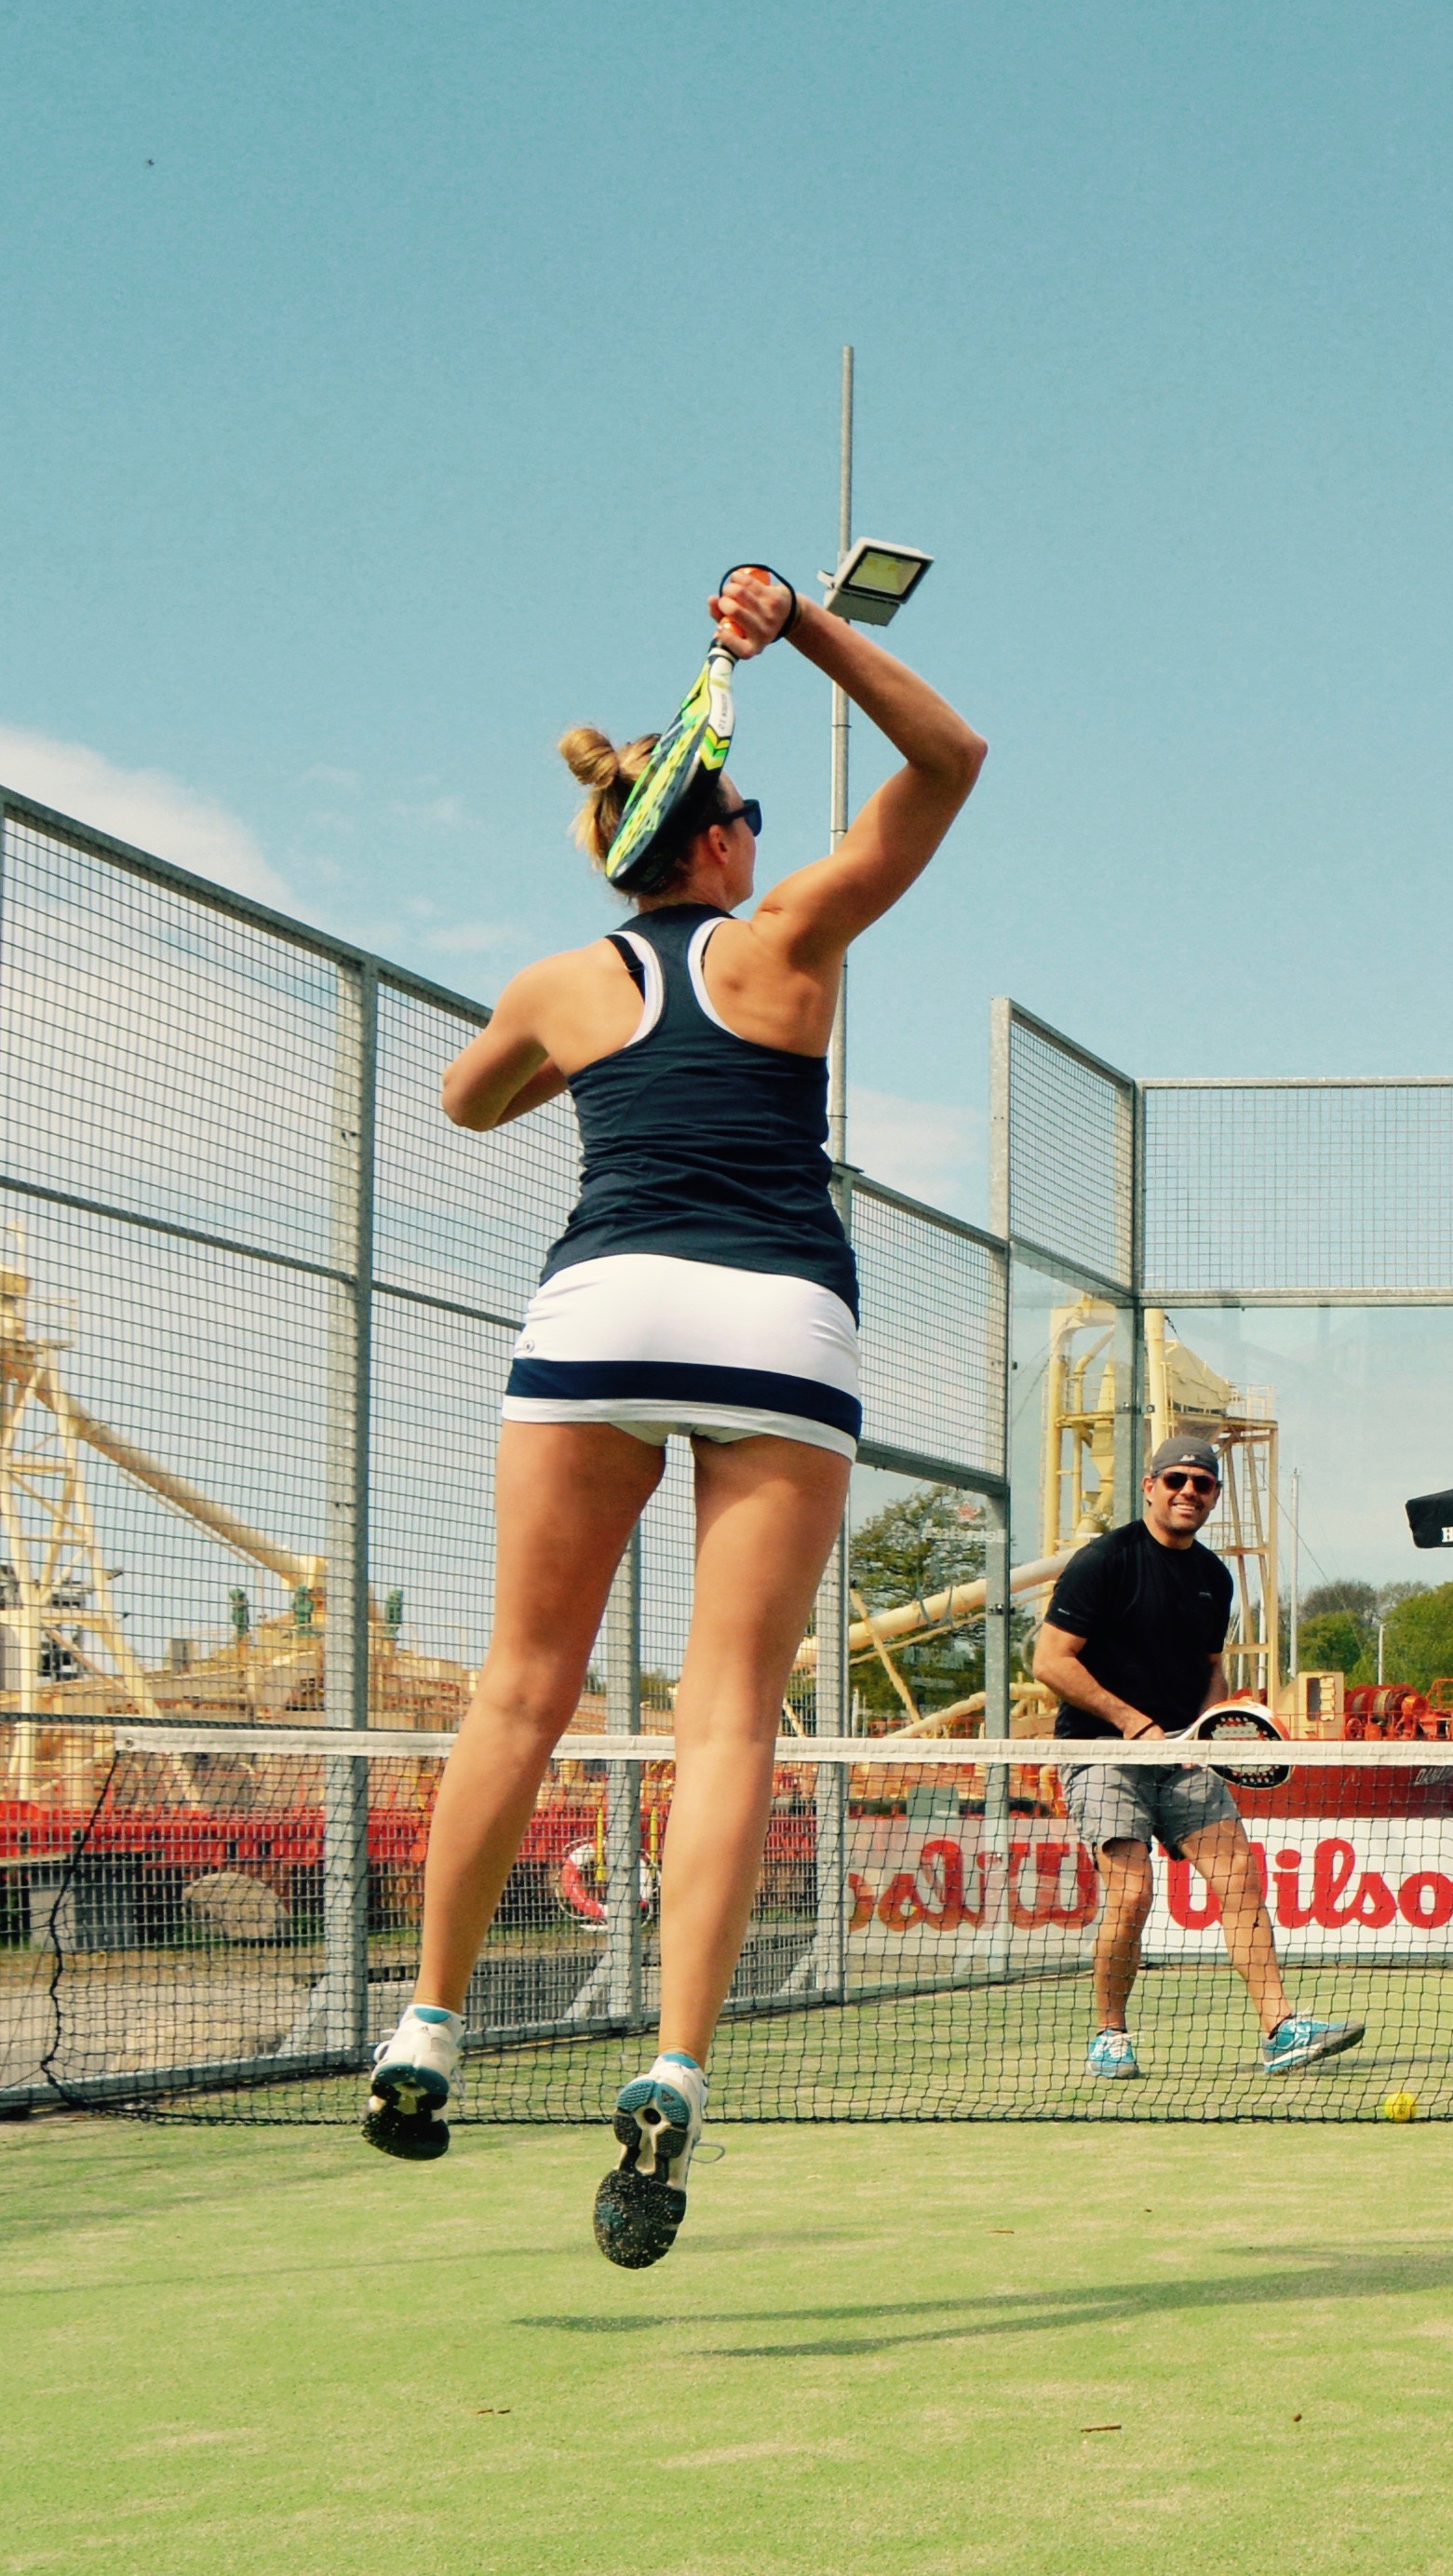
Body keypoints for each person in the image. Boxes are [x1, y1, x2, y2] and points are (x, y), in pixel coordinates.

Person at [371, 566, 982, 2268]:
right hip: (777, 1319)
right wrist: (812, 636)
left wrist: (563, 1049)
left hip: (600, 1307)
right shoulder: (790, 935)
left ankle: (427, 2023)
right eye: (753, 816)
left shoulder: (560, 980)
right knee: (725, 1718)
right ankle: (674, 2066)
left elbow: (469, 1101)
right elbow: (951, 759)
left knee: (521, 1686)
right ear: (716, 843)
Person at [1033, 1434, 1364, 2080]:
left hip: (1184, 1756)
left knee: (1239, 1876)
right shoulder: (1105, 1560)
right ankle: (1110, 2033)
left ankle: (1280, 2028)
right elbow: (1050, 1660)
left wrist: (1208, 1735)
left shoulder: (1215, 1576)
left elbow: (1211, 1667)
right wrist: (1134, 1724)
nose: (1189, 1491)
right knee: (1132, 1892)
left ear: (1214, 1496)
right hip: (1100, 1750)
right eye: (1177, 1479)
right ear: (1150, 1485)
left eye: (1203, 1484)